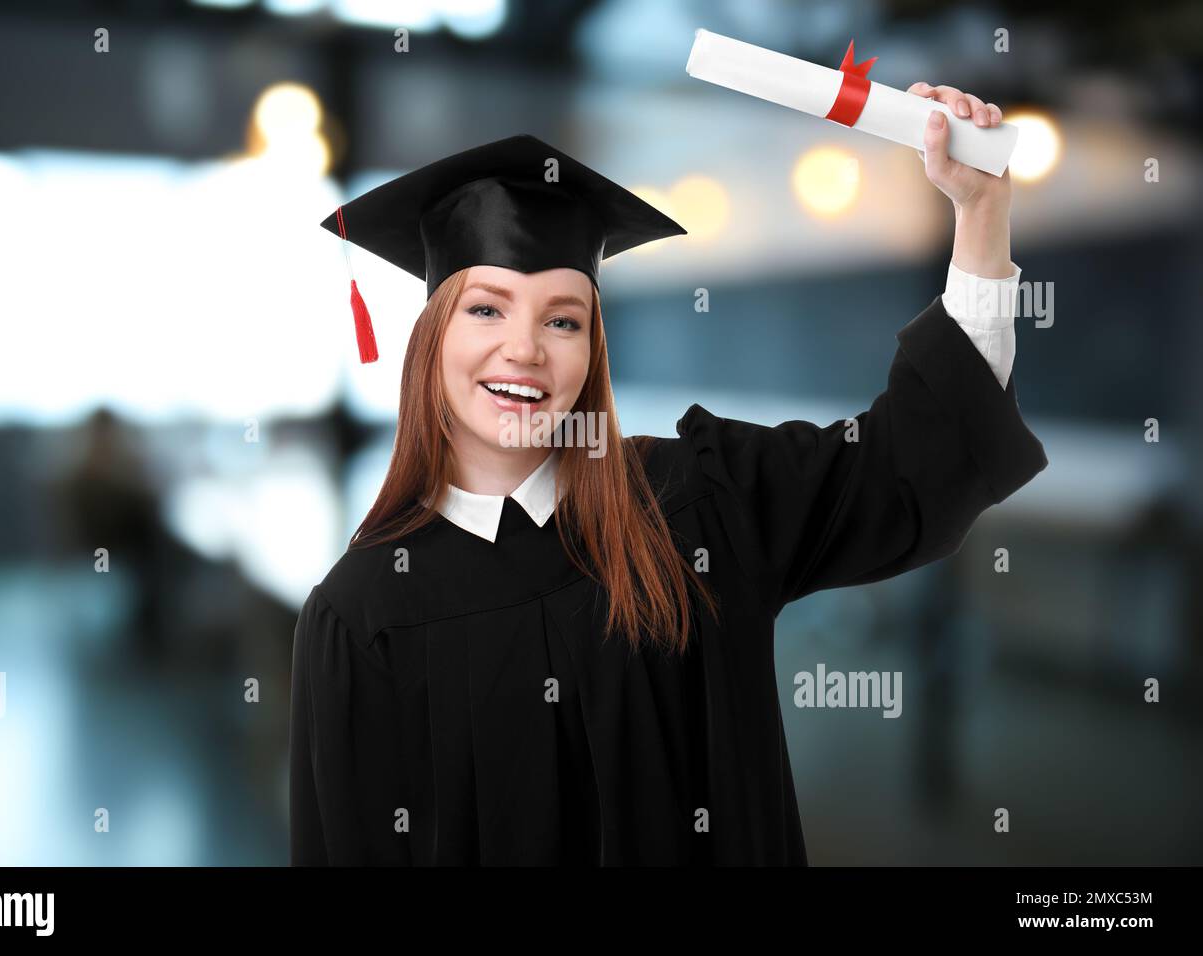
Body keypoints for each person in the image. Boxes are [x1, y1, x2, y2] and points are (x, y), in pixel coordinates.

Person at [290, 86, 1048, 866]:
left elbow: (909, 464)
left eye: (563, 320)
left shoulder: (697, 502)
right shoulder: (363, 614)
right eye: (486, 309)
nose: (525, 349)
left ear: (592, 353)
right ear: (431, 338)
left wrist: (981, 213)